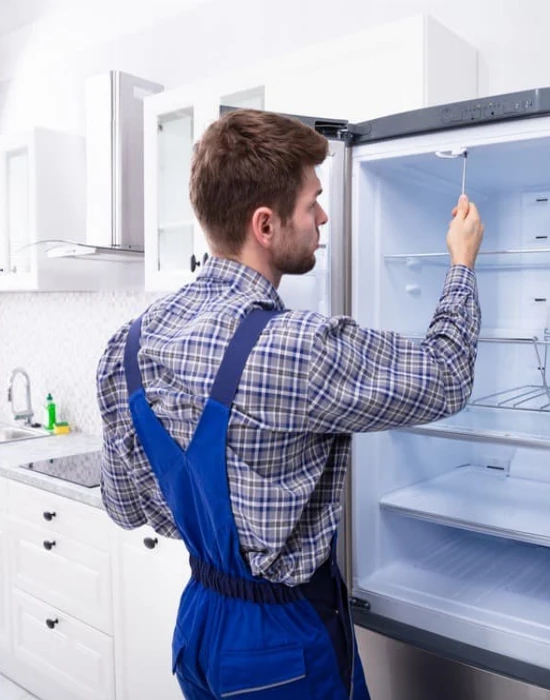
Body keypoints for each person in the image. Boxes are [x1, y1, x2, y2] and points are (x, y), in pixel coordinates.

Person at [96, 109, 484, 700]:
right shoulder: (298, 350)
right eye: (312, 203)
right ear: (265, 225)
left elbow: (124, 507)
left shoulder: (124, 348)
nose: (324, 216)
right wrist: (461, 263)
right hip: (281, 646)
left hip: (200, 626)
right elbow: (447, 374)